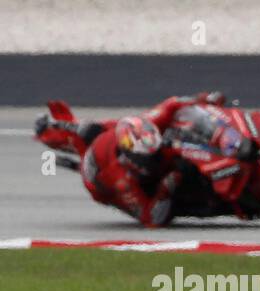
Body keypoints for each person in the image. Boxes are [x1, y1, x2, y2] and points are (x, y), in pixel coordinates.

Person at [35, 91, 227, 227]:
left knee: (89, 129)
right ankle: (51, 136)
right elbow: (150, 219)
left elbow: (172, 104)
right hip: (100, 184)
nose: (153, 158)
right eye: (148, 156)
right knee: (167, 212)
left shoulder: (143, 126)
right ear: (132, 158)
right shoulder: (122, 182)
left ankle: (57, 127)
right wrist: (167, 186)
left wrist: (203, 100)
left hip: (110, 136)